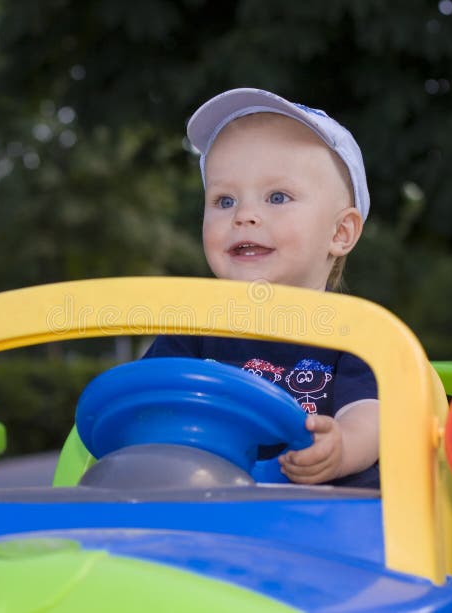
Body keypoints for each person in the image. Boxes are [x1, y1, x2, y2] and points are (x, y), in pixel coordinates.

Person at [144, 88, 379, 489]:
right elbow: (148, 399)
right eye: (223, 201)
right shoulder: (194, 330)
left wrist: (341, 448)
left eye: (277, 197)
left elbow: (372, 416)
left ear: (340, 232)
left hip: (321, 520)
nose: (244, 216)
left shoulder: (355, 333)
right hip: (207, 514)